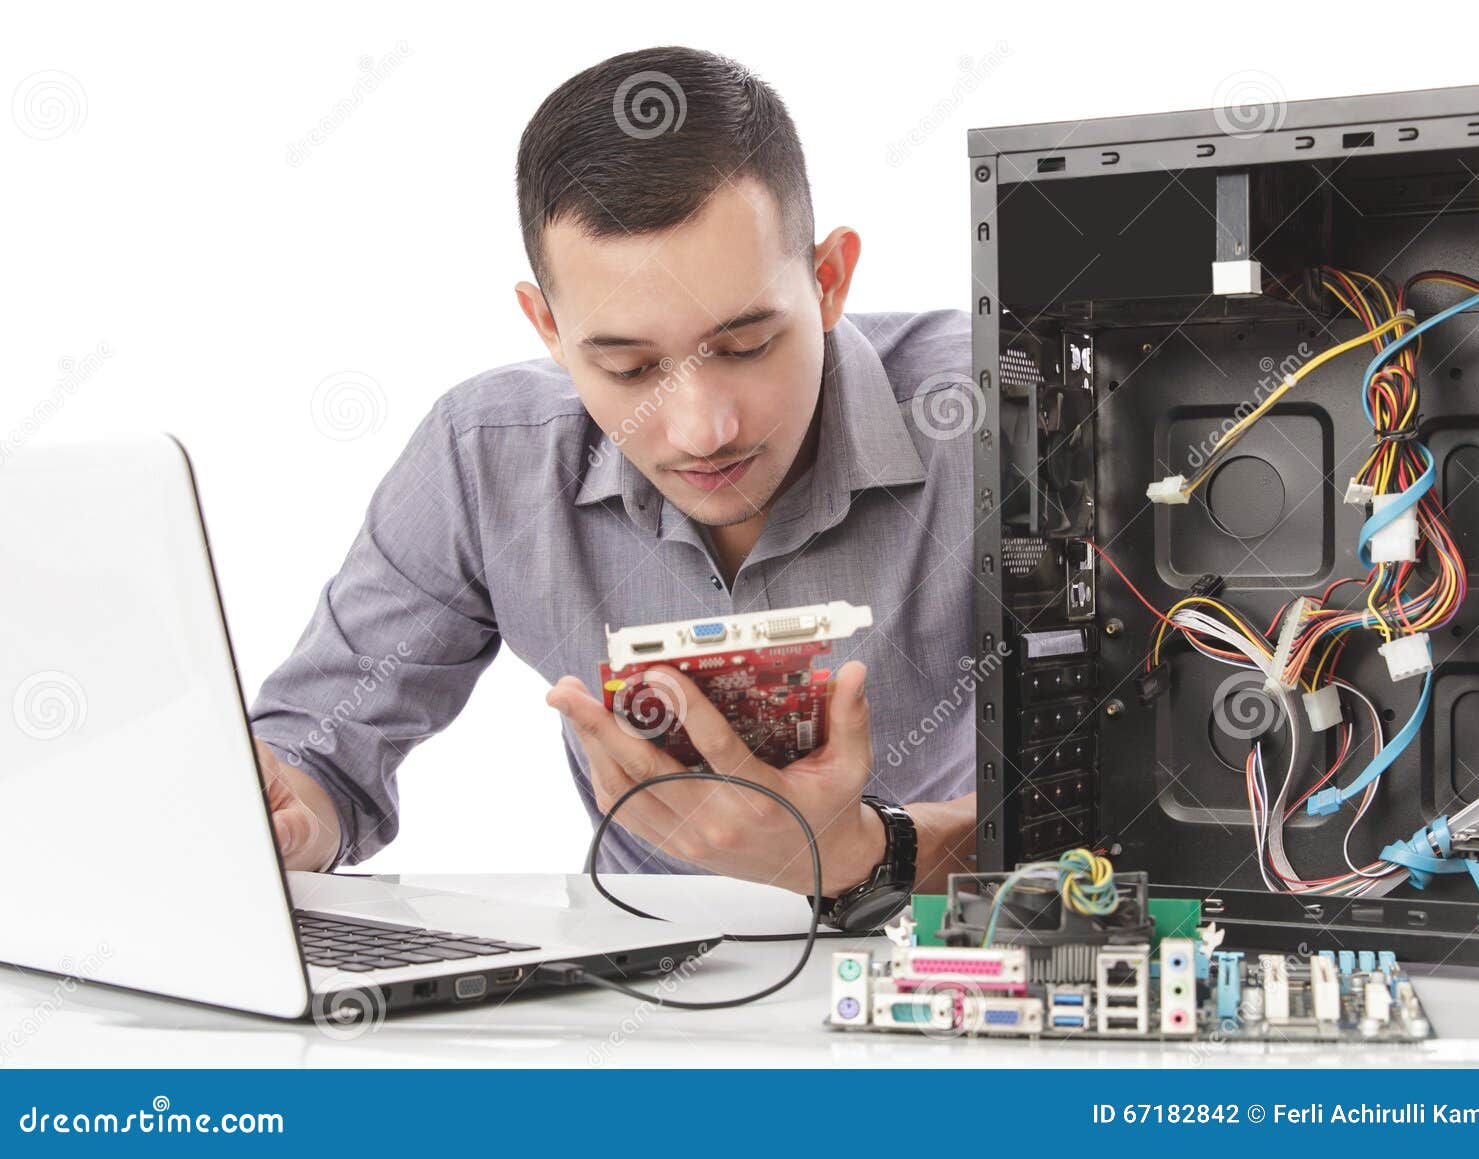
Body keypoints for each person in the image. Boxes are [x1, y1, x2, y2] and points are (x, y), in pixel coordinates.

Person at [249, 45, 978, 918]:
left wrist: (868, 851)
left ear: (828, 282)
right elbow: (322, 750)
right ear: (548, 328)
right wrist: (291, 815)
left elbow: (1144, 822)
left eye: (746, 346)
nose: (704, 428)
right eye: (629, 367)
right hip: (637, 995)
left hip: (949, 980)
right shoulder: (486, 456)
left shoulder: (1000, 421)